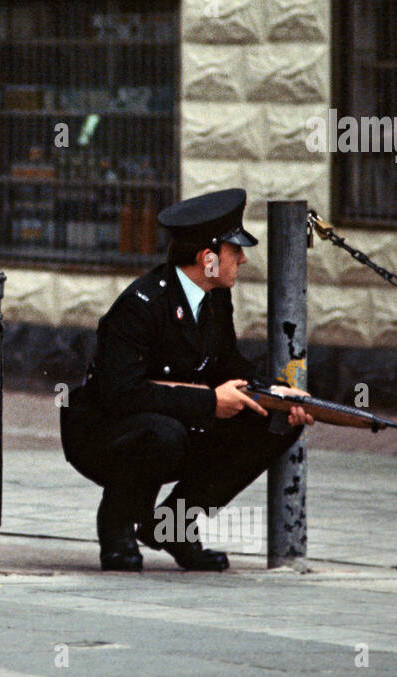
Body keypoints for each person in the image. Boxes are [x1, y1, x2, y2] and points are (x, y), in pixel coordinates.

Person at [59, 188, 314, 572]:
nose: (242, 259)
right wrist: (210, 403)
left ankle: (172, 524)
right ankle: (116, 528)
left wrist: (272, 392)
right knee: (162, 433)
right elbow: (121, 395)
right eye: (234, 250)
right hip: (104, 432)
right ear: (206, 258)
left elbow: (225, 363)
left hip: (173, 422)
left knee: (273, 424)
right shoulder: (141, 306)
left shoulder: (214, 297)